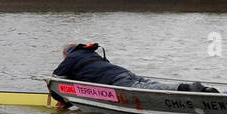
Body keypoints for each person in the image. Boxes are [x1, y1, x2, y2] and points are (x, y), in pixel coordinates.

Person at [52, 42, 217, 92]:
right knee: (151, 84)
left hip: (116, 80)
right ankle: (192, 88)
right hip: (123, 72)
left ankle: (187, 88)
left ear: (66, 54)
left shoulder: (72, 56)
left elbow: (55, 77)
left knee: (151, 89)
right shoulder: (91, 53)